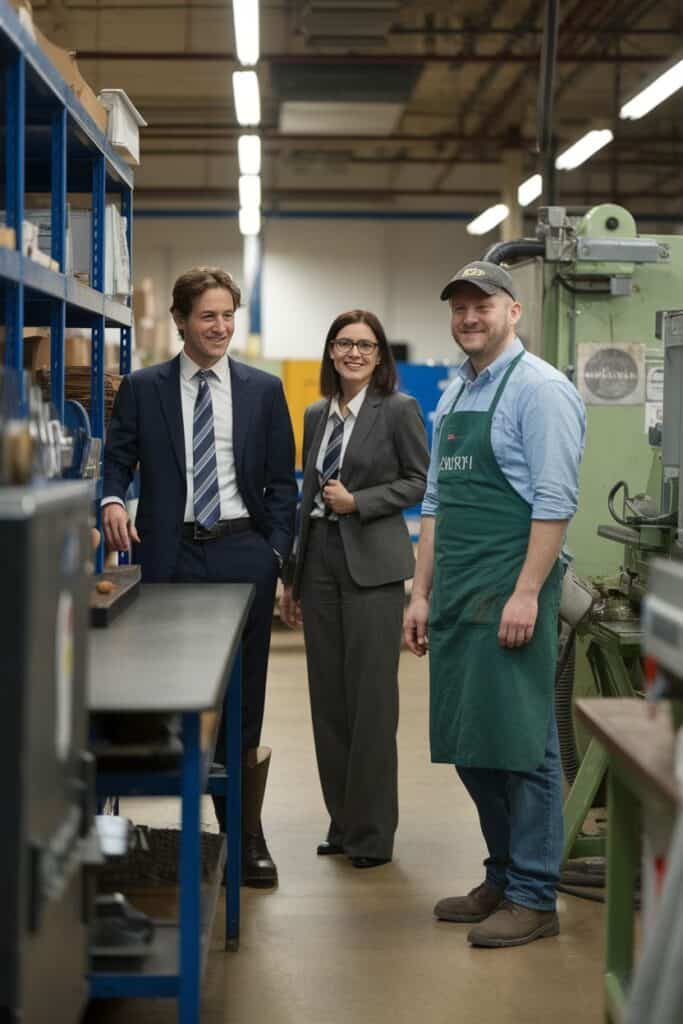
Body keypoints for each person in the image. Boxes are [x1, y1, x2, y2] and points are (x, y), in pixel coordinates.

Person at [404, 261, 585, 946]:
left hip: (511, 596)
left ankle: (535, 897)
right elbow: (434, 503)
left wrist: (527, 593)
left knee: (525, 749)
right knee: (472, 745)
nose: (469, 317)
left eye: (483, 305)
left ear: (514, 311)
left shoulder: (539, 391)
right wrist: (420, 592)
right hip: (457, 596)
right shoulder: (456, 394)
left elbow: (553, 502)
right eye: (459, 308)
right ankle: (504, 875)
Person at [102, 266, 298, 888]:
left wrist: (274, 552)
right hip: (170, 556)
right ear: (181, 321)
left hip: (243, 554)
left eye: (228, 316)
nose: (220, 328)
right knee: (171, 697)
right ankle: (154, 827)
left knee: (245, 697)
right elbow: (118, 459)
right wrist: (109, 500)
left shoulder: (263, 391)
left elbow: (281, 486)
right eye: (207, 316)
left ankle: (244, 835)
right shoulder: (143, 387)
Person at [280, 310, 429, 868]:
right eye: (344, 343)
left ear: (380, 355)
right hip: (319, 560)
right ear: (331, 351)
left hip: (373, 565)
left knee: (371, 703)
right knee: (329, 701)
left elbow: (419, 479)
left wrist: (359, 502)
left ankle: (371, 835)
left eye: (366, 345)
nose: (354, 353)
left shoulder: (399, 410)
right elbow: (305, 497)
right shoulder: (317, 413)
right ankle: (342, 823)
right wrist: (292, 576)